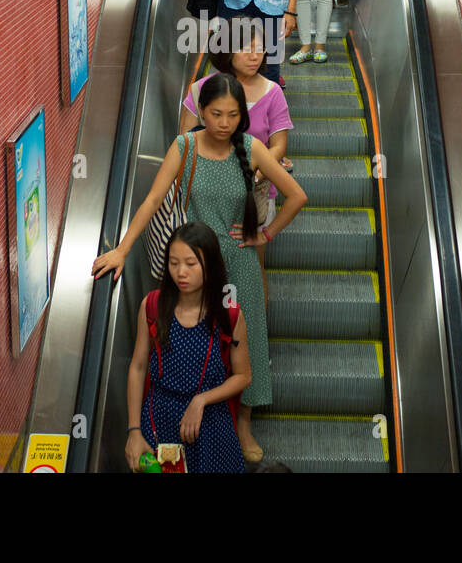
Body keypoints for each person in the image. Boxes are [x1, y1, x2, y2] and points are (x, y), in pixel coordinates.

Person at [95, 74, 307, 462]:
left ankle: (243, 425)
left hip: (237, 263)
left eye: (232, 114)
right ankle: (190, 411)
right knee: (190, 341)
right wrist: (122, 250)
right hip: (190, 263)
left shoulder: (251, 147)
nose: (224, 123)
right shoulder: (185, 146)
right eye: (215, 114)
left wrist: (265, 235)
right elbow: (153, 199)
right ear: (200, 112)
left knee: (247, 343)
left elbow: (297, 195)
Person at [124, 221, 250, 474]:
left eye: (191, 264)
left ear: (210, 265)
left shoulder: (229, 314)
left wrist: (201, 400)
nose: (181, 272)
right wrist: (134, 430)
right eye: (173, 262)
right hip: (159, 421)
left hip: (211, 425)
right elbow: (138, 367)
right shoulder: (152, 306)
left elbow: (243, 376)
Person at [180, 19, 292, 299]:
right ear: (226, 50)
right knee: (205, 272)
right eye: (246, 49)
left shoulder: (272, 92)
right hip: (206, 196)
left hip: (253, 195)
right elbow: (184, 142)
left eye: (260, 49)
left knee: (252, 271)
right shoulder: (202, 90)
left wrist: (257, 171)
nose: (255, 56)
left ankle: (252, 332)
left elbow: (278, 145)